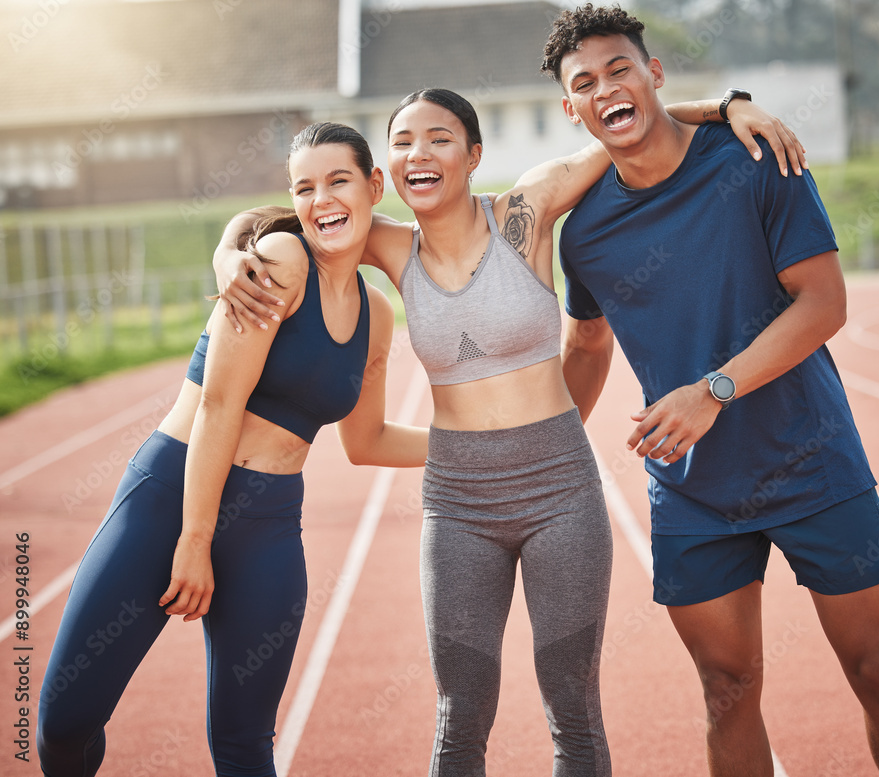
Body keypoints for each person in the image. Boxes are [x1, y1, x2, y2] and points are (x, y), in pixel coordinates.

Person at [214, 91, 803, 776]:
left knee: (574, 712)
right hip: (459, 502)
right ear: (387, 173)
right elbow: (283, 216)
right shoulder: (387, 243)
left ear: (473, 155)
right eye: (402, 142)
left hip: (562, 493)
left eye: (438, 138)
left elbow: (626, 129)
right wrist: (231, 255)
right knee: (460, 713)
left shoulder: (524, 212)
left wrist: (725, 106)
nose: (418, 153)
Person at [538, 5, 879, 777]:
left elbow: (824, 303)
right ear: (571, 108)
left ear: (654, 74)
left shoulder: (755, 158)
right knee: (726, 689)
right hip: (693, 490)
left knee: (877, 672)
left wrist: (711, 391)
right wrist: (546, 450)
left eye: (621, 68)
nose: (606, 89)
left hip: (812, 458)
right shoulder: (582, 230)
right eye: (585, 82)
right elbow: (586, 342)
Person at [36, 123, 428, 777]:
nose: (322, 199)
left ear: (373, 186)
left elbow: (367, 441)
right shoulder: (280, 260)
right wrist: (194, 538)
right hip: (172, 496)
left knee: (246, 743)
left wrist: (476, 440)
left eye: (339, 181)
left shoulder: (378, 313)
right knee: (64, 723)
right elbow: (221, 405)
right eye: (305, 186)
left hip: (270, 521)